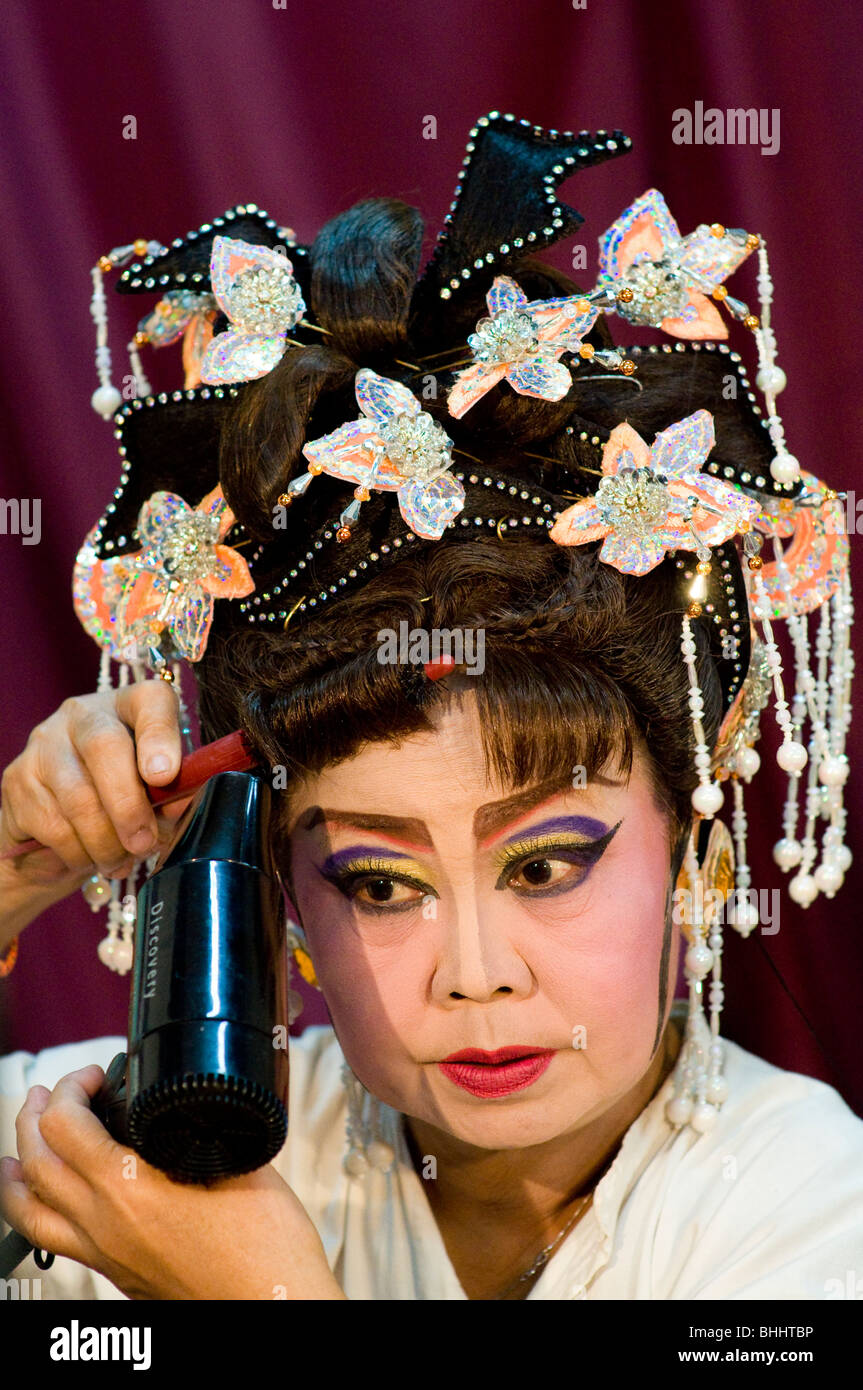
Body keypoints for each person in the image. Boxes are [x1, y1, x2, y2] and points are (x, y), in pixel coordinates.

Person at [0, 114, 860, 1301]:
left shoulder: (810, 1206)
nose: (474, 977)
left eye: (544, 866)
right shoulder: (132, 1168)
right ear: (281, 894)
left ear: (692, 846)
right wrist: (11, 869)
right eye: (378, 884)